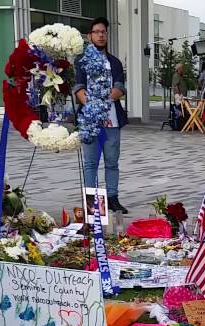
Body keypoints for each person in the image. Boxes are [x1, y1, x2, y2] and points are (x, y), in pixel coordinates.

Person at [74, 17, 129, 214]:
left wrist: (110, 95)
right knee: (90, 163)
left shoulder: (115, 63)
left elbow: (120, 89)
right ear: (89, 36)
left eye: (103, 32)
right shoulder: (81, 61)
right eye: (96, 32)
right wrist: (93, 106)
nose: (101, 35)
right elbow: (79, 88)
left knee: (112, 162)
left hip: (112, 120)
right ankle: (92, 204)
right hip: (90, 120)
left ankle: (112, 198)